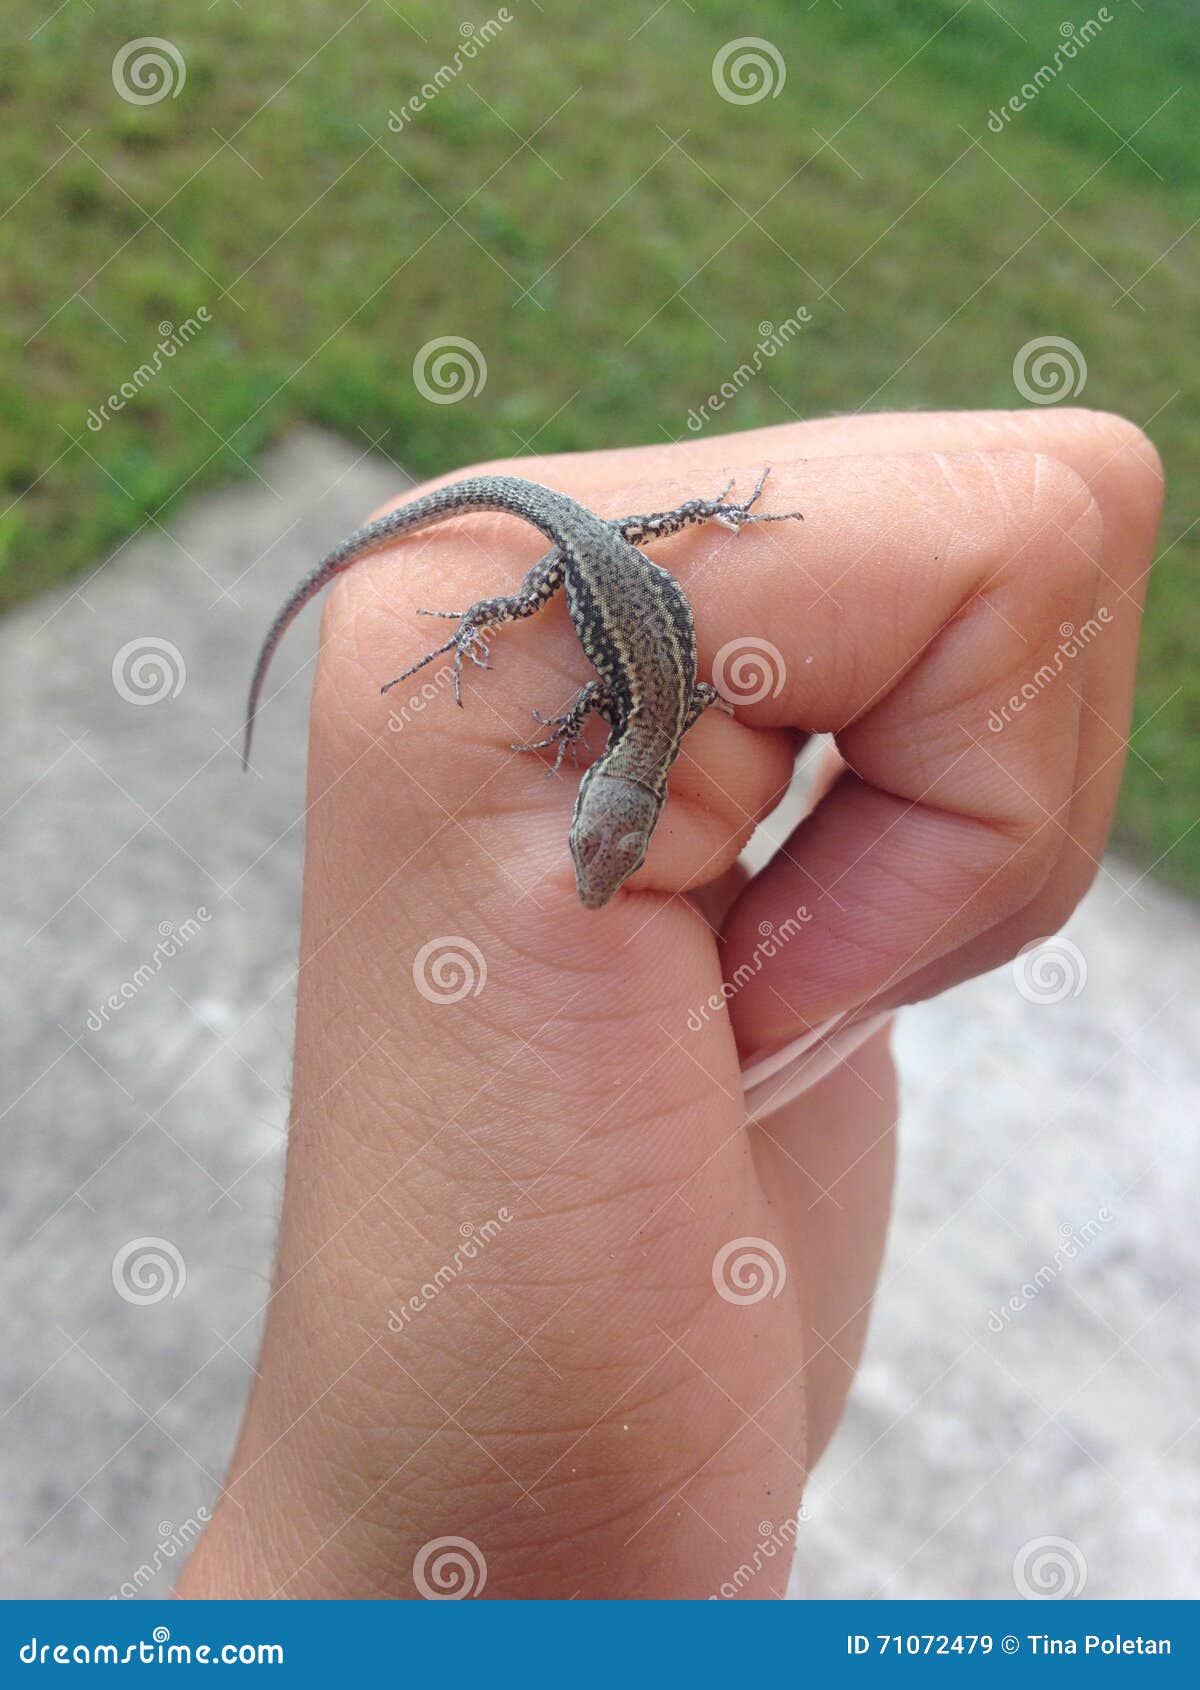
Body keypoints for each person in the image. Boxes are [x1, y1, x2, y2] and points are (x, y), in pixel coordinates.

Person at [176, 408, 1163, 1600]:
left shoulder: (654, 729)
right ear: (611, 791)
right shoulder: (645, 722)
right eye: (600, 846)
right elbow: (623, 684)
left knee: (568, 597)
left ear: (618, 804)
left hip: (616, 570)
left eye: (607, 846)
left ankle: (596, 571)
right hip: (598, 560)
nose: (597, 864)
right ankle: (522, 598)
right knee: (533, 593)